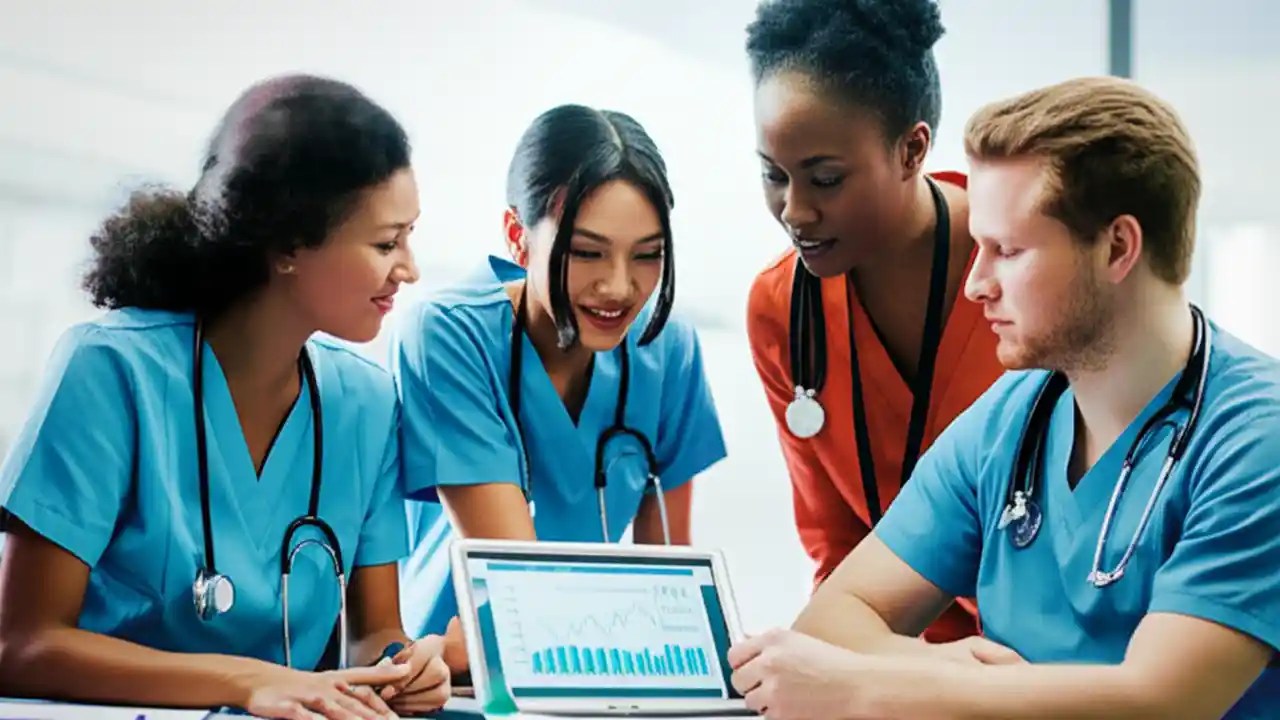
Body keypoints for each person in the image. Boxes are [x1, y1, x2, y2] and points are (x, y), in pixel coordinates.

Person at [727, 76, 1280, 719]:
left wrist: (861, 686)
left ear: (1118, 247)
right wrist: (940, 663)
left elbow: (1159, 701)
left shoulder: (1254, 440)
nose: (976, 284)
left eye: (1008, 251)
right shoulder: (1010, 421)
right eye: (978, 247)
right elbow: (832, 619)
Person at [0, 75, 452, 720]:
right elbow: (22, 642)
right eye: (386, 243)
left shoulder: (368, 402)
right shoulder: (110, 368)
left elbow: (374, 634)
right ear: (289, 245)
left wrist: (404, 667)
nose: (408, 268)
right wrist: (246, 681)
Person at [393, 104, 727, 658]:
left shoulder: (667, 349)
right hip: (451, 677)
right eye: (587, 253)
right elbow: (518, 586)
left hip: (593, 670)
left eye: (648, 256)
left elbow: (672, 588)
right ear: (517, 237)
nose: (619, 287)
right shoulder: (449, 336)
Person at [743, 0, 1001, 644]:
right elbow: (837, 551)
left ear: (912, 148)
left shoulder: (1026, 273)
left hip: (1044, 668)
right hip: (897, 662)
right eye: (773, 175)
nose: (794, 212)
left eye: (826, 179)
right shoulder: (783, 310)